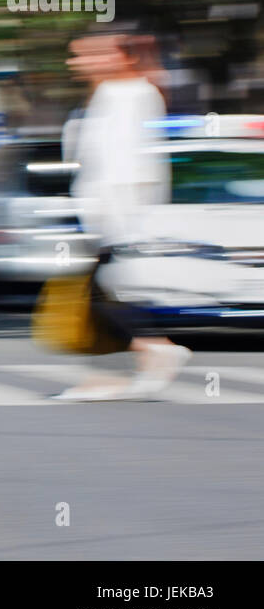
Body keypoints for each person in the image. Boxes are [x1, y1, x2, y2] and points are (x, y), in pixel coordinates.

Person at [53, 31, 192, 401]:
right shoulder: (106, 94)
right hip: (101, 212)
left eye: (87, 55)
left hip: (120, 214)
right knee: (104, 295)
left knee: (106, 295)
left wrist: (117, 222)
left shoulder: (136, 94)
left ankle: (153, 350)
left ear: (119, 57)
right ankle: (139, 360)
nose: (77, 63)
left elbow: (131, 163)